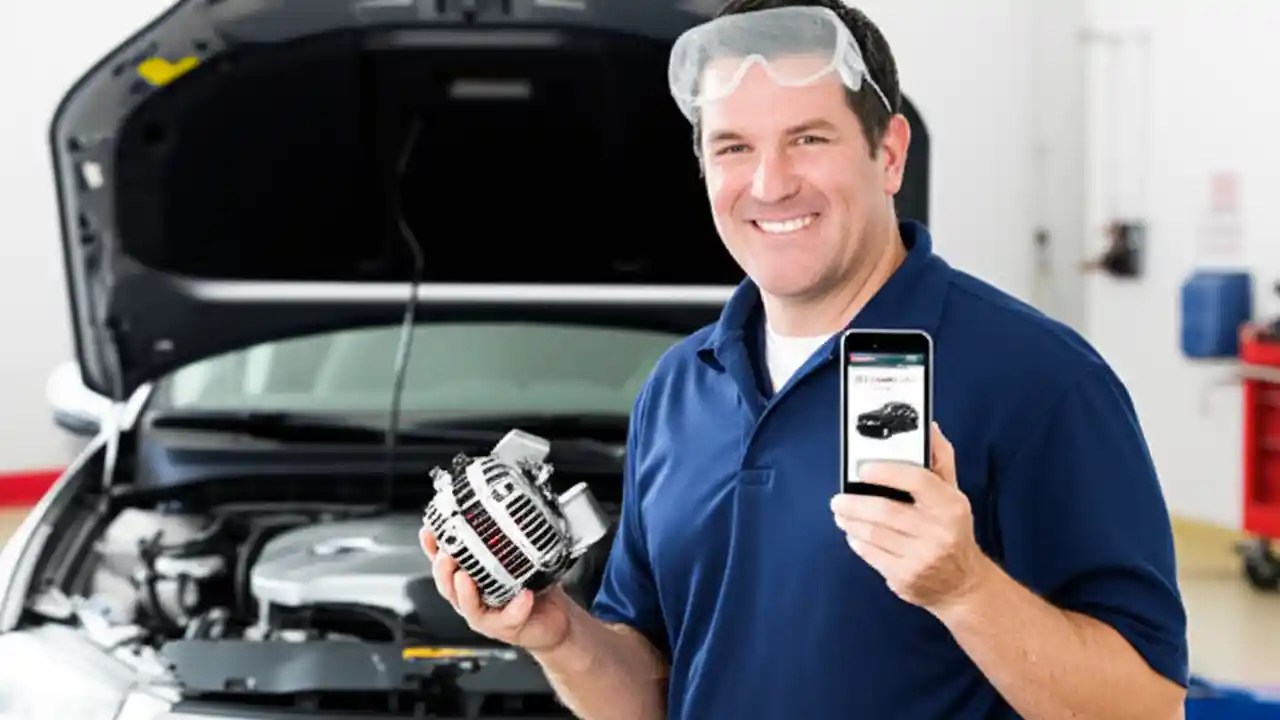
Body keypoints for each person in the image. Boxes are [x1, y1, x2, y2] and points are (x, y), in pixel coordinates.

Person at [419, 1, 1190, 717]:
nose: (770, 184)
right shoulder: (681, 388)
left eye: (808, 139)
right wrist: (559, 634)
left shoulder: (1040, 381)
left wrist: (964, 590)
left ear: (890, 155)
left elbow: (1149, 706)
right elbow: (658, 692)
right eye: (734, 147)